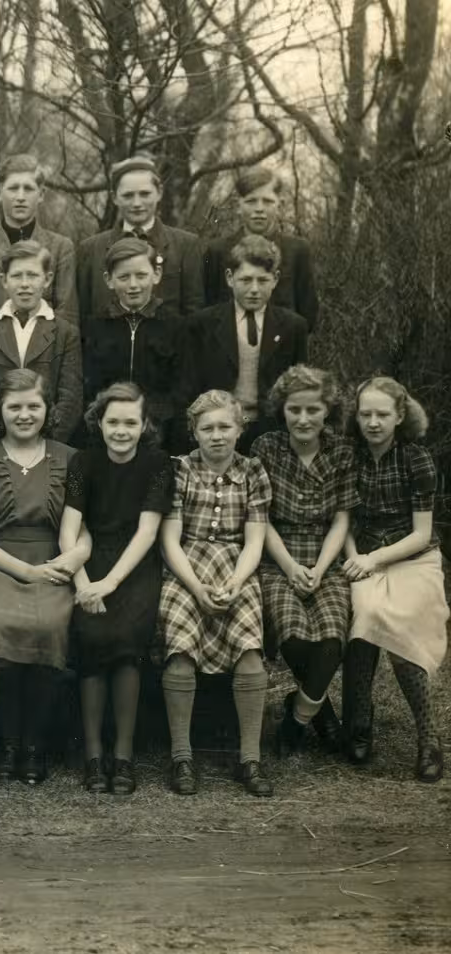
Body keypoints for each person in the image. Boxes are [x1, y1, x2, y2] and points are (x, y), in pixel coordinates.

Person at [0, 368, 86, 785]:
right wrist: (26, 571)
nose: (25, 414)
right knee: (1, 624)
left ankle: (35, 746)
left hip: (55, 562)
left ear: (48, 410)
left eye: (34, 406)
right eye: (15, 407)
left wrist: (71, 561)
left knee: (51, 626)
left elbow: (85, 533)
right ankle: (7, 743)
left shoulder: (71, 458)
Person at [158, 390, 274, 797]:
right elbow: (169, 539)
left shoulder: (254, 471)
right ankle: (181, 756)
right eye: (207, 428)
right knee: (180, 647)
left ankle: (250, 759)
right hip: (186, 565)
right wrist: (196, 586)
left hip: (235, 566)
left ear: (240, 429)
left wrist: (236, 583)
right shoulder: (177, 469)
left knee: (249, 648)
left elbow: (255, 540)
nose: (217, 436)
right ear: (194, 432)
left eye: (225, 426)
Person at [59, 383, 173, 795]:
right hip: (91, 562)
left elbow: (147, 533)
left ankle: (123, 757)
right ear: (98, 423)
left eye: (130, 422)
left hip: (135, 565)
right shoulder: (83, 462)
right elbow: (70, 530)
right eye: (113, 422)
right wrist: (82, 581)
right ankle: (93, 757)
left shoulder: (158, 464)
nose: (121, 430)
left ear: (144, 426)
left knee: (126, 639)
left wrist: (109, 583)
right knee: (90, 634)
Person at [341, 377, 448, 782]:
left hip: (413, 557)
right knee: (365, 614)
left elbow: (421, 534)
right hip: (361, 554)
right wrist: (355, 559)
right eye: (365, 413)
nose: (372, 422)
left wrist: (374, 560)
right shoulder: (348, 456)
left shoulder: (416, 458)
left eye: (382, 414)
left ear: (400, 416)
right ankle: (360, 724)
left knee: (402, 625)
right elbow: (343, 521)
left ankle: (428, 738)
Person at [251, 366, 357, 754]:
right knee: (293, 635)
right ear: (283, 411)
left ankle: (296, 719)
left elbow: (342, 520)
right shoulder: (266, 448)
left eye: (313, 409)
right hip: (277, 555)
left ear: (327, 410)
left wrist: (319, 568)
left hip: (325, 556)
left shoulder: (342, 450)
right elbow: (259, 518)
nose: (304, 419)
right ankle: (323, 712)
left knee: (331, 638)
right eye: (295, 409)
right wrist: (292, 568)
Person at [185, 236, 309, 451]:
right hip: (217, 432)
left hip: (271, 434)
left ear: (276, 279)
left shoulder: (293, 327)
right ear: (229, 278)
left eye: (262, 280)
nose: (254, 289)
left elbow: (298, 390)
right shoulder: (202, 324)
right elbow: (188, 387)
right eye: (245, 280)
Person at [0, 240, 82, 447]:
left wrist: (43, 449)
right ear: (4, 280)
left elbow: (70, 399)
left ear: (47, 279)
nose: (25, 284)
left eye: (33, 275)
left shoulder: (66, 334)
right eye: (17, 276)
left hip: (47, 449)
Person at [80, 238, 190, 451]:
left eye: (141, 275)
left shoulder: (176, 326)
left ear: (156, 275)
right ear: (109, 280)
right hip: (106, 432)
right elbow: (88, 386)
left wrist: (151, 419)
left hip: (159, 434)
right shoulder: (94, 326)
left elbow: (181, 388)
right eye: (123, 277)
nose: (133, 285)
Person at [76, 156, 204, 326]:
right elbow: (83, 315)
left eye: (145, 194)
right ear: (114, 198)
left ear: (159, 193)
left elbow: (194, 312)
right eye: (128, 196)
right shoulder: (91, 249)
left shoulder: (186, 245)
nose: (137, 203)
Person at [0, 153, 78, 325]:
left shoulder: (61, 248)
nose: (21, 197)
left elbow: (66, 316)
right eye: (13, 188)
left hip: (45, 349)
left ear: (41, 195)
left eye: (28, 189)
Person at [203, 168, 319, 330]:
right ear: (238, 206)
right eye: (251, 201)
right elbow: (208, 308)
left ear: (280, 204)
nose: (259, 209)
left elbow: (308, 314)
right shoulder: (217, 251)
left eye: (267, 201)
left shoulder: (297, 250)